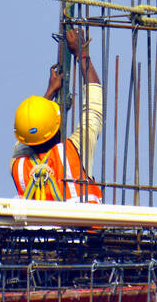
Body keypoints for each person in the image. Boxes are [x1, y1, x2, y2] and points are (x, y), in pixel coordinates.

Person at [10, 29, 104, 203]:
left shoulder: (18, 165)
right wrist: (81, 54)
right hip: (83, 230)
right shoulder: (73, 152)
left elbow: (28, 134)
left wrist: (50, 92)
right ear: (56, 126)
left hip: (40, 231)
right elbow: (94, 108)